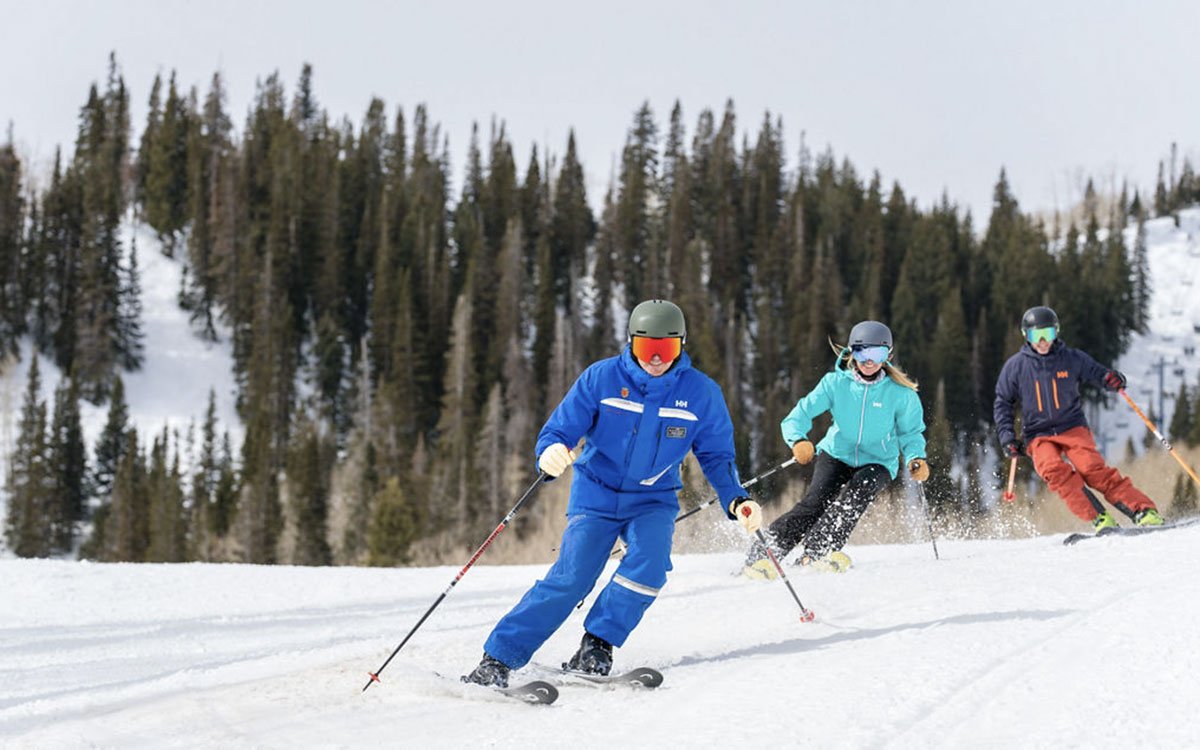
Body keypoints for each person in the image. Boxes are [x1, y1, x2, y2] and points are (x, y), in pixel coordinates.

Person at [464, 300, 760, 687]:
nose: (655, 359)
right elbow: (559, 431)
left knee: (649, 567)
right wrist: (550, 453)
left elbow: (717, 455)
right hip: (596, 493)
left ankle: (597, 645)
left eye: (665, 350)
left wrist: (735, 498)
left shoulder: (701, 393)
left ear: (682, 346)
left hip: (653, 499)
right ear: (631, 343)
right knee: (572, 578)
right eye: (645, 349)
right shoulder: (600, 379)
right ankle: (497, 659)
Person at [743, 320, 928, 578]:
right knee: (814, 503)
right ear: (852, 352)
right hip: (837, 453)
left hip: (878, 461)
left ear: (888, 355)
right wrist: (798, 440)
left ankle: (816, 552)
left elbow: (911, 433)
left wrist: (915, 458)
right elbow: (799, 415)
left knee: (856, 495)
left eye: (878, 353)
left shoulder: (900, 394)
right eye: (863, 352)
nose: (869, 361)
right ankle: (763, 555)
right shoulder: (835, 384)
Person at [994, 305, 1164, 532]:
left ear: (1057, 332)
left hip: (1071, 427)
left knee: (1091, 469)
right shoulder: (1016, 367)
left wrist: (1112, 379)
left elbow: (1097, 373)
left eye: (1049, 334)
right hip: (1038, 434)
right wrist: (1007, 437)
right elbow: (1003, 402)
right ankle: (1100, 519)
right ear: (1026, 336)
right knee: (1053, 470)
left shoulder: (1071, 358)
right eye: (1037, 335)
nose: (1043, 341)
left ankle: (1142, 511)